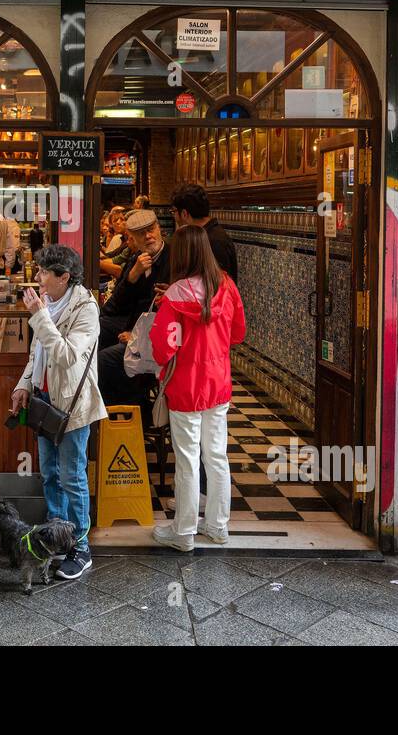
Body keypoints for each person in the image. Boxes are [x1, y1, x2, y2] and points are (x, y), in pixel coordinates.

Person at [149, 226, 247, 551]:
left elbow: (163, 348)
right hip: (218, 385)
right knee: (216, 455)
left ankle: (184, 532)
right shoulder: (227, 286)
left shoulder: (175, 296)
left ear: (181, 254)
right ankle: (218, 527)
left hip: (185, 389)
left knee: (187, 459)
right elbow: (237, 334)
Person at [12, 244, 107, 580]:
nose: (37, 278)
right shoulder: (50, 303)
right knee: (50, 475)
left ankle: (80, 546)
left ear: (63, 277)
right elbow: (37, 352)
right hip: (45, 403)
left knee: (72, 477)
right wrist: (24, 384)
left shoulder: (86, 310)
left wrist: (39, 316)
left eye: (43, 273)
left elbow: (66, 356)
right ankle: (56, 538)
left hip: (72, 408)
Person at [96, 209, 171, 414]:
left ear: (159, 229)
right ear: (133, 239)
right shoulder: (137, 260)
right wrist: (133, 275)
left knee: (103, 362)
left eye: (151, 229)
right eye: (141, 233)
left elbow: (170, 316)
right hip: (135, 332)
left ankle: (134, 414)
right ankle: (109, 421)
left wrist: (138, 337)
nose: (148, 236)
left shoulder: (173, 260)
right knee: (94, 337)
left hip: (159, 342)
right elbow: (114, 307)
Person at [169, 183, 238, 282]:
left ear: (184, 214)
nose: (174, 217)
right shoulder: (203, 235)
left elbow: (218, 288)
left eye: (174, 211)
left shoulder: (214, 241)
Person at [98, 205, 129, 280]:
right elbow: (112, 256)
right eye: (115, 220)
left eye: (122, 219)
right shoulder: (123, 240)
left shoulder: (126, 242)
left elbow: (119, 269)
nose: (118, 222)